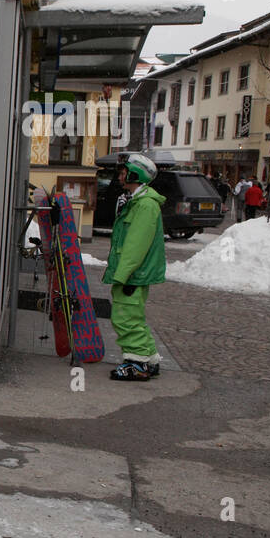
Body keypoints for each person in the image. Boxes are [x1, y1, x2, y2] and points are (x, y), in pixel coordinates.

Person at [103, 153, 166, 381]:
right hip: (134, 272)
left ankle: (136, 364)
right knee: (134, 315)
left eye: (123, 171)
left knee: (125, 317)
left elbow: (136, 245)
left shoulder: (145, 205)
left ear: (134, 174)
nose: (120, 175)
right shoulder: (138, 201)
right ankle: (149, 359)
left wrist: (122, 275)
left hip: (133, 274)